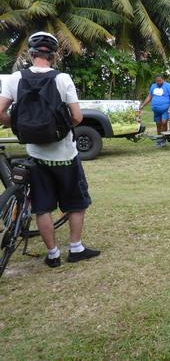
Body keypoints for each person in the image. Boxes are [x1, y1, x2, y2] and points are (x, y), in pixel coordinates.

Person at [0, 32, 100, 267]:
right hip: (65, 154)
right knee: (76, 203)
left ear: (31, 54)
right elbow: (77, 116)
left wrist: (18, 123)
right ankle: (75, 249)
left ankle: (53, 255)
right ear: (53, 56)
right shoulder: (62, 79)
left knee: (42, 207)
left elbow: (0, 113)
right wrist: (59, 127)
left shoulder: (15, 79)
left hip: (36, 155)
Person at [139, 75, 170, 147]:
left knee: (164, 123)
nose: (158, 82)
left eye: (160, 80)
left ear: (163, 80)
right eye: (157, 81)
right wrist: (143, 105)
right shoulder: (153, 86)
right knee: (158, 125)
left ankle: (164, 140)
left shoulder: (168, 86)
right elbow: (149, 97)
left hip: (165, 109)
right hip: (156, 110)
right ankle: (159, 140)